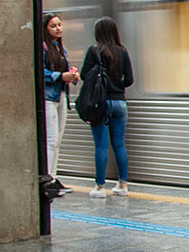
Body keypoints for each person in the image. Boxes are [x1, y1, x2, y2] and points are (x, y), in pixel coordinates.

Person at [81, 17, 133, 198]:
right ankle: (123, 185)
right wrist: (116, 85)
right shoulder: (122, 51)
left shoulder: (93, 51)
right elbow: (129, 80)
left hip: (101, 104)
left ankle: (99, 187)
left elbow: (84, 75)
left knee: (101, 146)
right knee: (119, 144)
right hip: (120, 103)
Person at [41, 14, 79, 197]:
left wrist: (72, 75)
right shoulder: (42, 48)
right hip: (49, 97)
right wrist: (59, 76)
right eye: (53, 26)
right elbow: (40, 72)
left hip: (61, 96)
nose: (58, 28)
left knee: (58, 141)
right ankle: (47, 180)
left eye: (59, 25)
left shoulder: (59, 48)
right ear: (45, 29)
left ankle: (53, 178)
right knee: (51, 140)